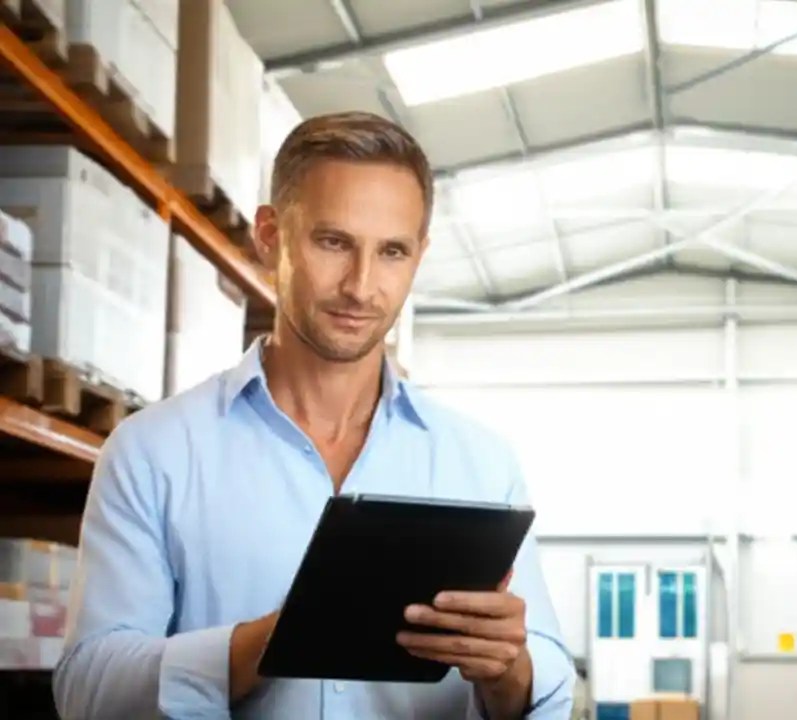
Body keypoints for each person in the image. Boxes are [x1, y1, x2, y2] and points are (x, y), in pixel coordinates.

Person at [52, 111, 575, 719]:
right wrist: (266, 642)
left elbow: (551, 691)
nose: (361, 285)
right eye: (333, 242)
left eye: (392, 252)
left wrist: (509, 668)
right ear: (270, 235)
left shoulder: (481, 465)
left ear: (419, 255)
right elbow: (87, 690)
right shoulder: (152, 452)